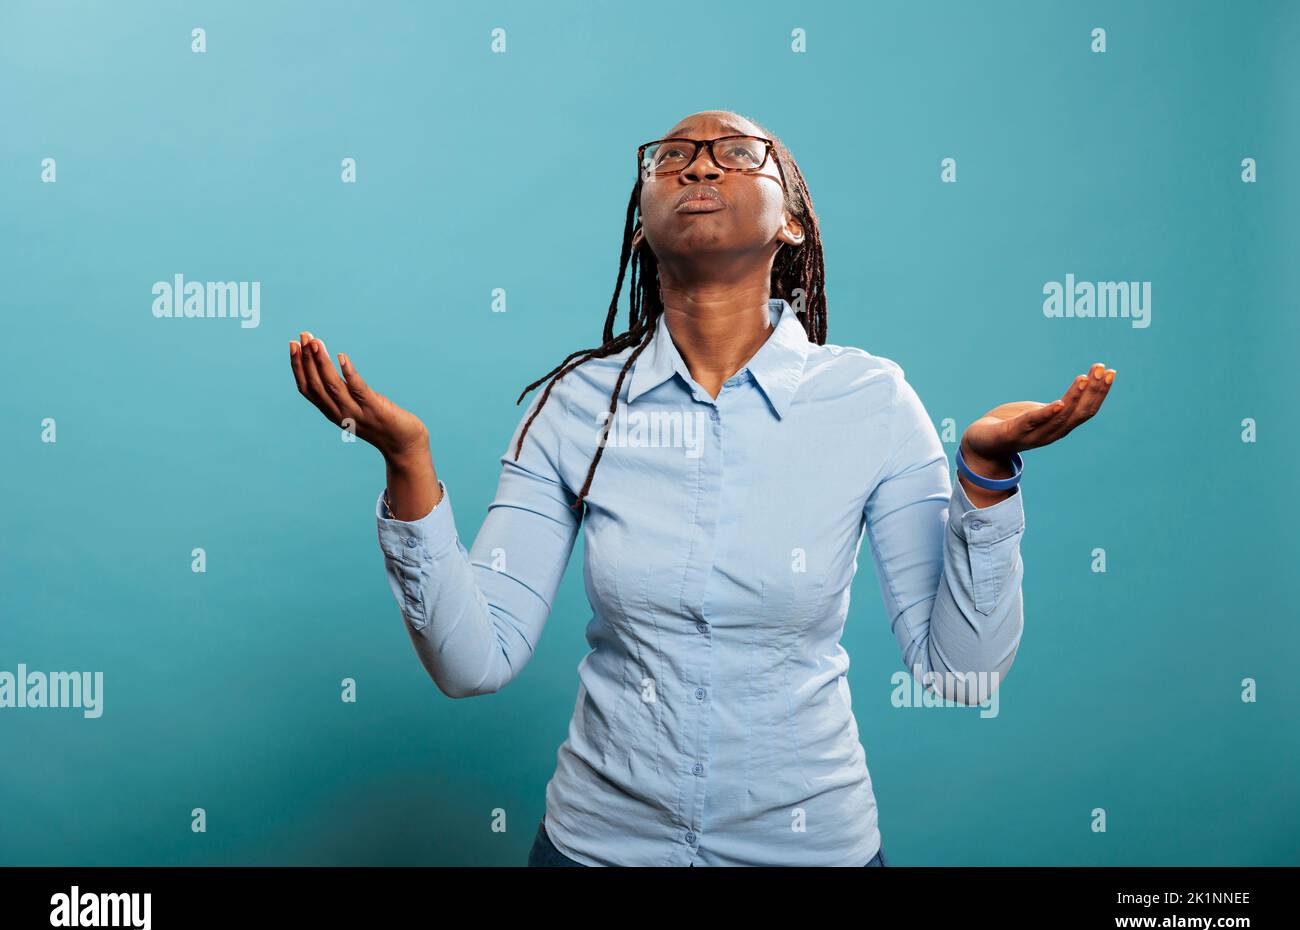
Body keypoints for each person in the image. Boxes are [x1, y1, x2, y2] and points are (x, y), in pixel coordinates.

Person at [288, 110, 1115, 867]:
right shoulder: (576, 406)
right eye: (672, 158)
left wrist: (986, 476)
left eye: (736, 154)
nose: (699, 167)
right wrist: (408, 462)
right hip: (596, 851)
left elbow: (960, 671)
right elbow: (474, 661)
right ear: (642, 224)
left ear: (791, 222)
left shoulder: (871, 402)